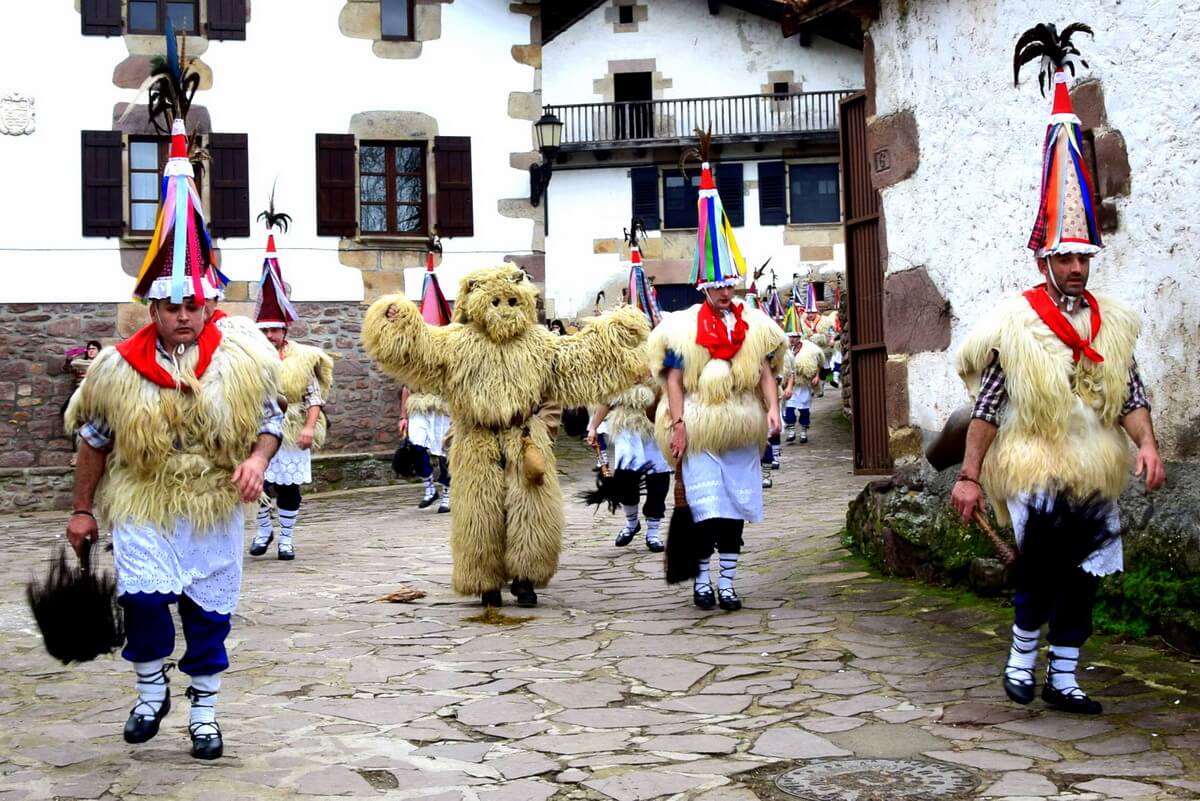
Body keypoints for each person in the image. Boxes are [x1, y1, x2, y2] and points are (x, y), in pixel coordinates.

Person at [951, 32, 1164, 716]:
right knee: (1041, 569)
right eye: (1065, 257)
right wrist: (969, 475)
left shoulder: (1114, 321)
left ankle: (1065, 676)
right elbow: (988, 406)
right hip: (1035, 461)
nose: (1076, 268)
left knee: (1085, 577)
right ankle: (1021, 660)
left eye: (1083, 257)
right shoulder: (1015, 322)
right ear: (1044, 259)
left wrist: (1148, 444)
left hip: (1093, 463)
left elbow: (1129, 392)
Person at [64, 117, 281, 759]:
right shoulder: (116, 370)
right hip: (145, 500)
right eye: (171, 307)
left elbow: (271, 422)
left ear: (208, 306)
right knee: (144, 601)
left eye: (192, 305)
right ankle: (150, 688)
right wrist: (82, 509)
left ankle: (205, 713)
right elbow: (94, 439)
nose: (183, 316)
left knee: (209, 614)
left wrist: (256, 460)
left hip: (213, 501)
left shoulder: (242, 359)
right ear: (153, 309)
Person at [648, 158, 786, 611]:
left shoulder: (755, 325)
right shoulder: (681, 328)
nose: (726, 293)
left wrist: (773, 409)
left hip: (740, 431)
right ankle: (702, 581)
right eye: (719, 286)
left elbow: (764, 372)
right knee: (705, 509)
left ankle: (727, 582)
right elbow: (673, 378)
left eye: (730, 285)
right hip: (701, 428)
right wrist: (678, 424)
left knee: (734, 510)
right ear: (705, 286)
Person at [250, 228, 334, 560]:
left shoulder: (303, 357)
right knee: (257, 483)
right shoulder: (249, 357)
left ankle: (286, 537)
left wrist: (309, 428)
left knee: (288, 486)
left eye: (275, 329)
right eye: (265, 330)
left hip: (293, 428)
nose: (270, 335)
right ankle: (262, 531)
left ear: (284, 329)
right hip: (257, 429)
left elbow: (314, 397)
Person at [586, 240, 670, 552]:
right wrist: (593, 427)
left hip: (655, 423)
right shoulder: (615, 362)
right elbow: (606, 399)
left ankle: (653, 530)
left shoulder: (660, 355)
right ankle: (631, 522)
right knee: (627, 479)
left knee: (659, 478)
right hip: (626, 427)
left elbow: (673, 389)